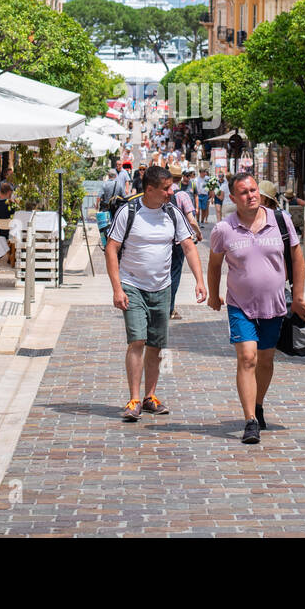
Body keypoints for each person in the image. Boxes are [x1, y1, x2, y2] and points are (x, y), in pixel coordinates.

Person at [208, 173, 305, 444]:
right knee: (248, 358)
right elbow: (215, 264)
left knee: (265, 360)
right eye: (243, 192)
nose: (251, 195)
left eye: (253, 190)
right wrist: (214, 295)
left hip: (274, 305)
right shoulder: (223, 229)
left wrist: (297, 296)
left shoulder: (280, 221)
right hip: (239, 305)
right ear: (233, 198)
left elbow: (297, 258)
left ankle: (259, 404)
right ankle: (250, 420)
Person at [105, 165, 207, 423]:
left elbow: (188, 246)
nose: (171, 192)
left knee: (156, 345)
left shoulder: (172, 213)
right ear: (149, 190)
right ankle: (134, 399)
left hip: (162, 288)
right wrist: (117, 288)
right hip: (132, 285)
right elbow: (111, 248)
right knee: (137, 341)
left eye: (171, 187)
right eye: (166, 188)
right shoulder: (129, 212)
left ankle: (150, 397)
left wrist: (199, 280)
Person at [168, 172, 203, 321]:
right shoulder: (182, 195)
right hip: (178, 242)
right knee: (174, 275)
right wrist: (198, 233)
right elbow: (192, 220)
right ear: (181, 178)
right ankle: (169, 308)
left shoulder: (162, 194)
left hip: (162, 241)